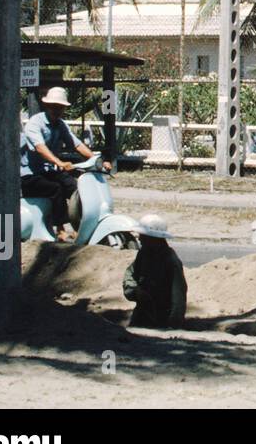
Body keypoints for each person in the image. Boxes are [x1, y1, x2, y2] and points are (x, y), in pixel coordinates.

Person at [20, 86, 107, 242]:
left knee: (75, 187)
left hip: (46, 172)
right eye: (54, 106)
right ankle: (60, 230)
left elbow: (77, 144)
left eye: (60, 107)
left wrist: (96, 159)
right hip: (28, 175)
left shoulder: (60, 125)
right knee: (56, 189)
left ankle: (81, 227)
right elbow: (40, 148)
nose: (57, 110)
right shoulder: (35, 123)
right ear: (47, 106)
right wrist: (59, 162)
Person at [122, 214, 187, 329]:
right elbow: (130, 275)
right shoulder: (143, 255)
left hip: (162, 320)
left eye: (143, 236)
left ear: (154, 239)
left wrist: (173, 325)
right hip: (142, 316)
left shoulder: (171, 261)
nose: (139, 239)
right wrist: (135, 291)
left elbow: (178, 298)